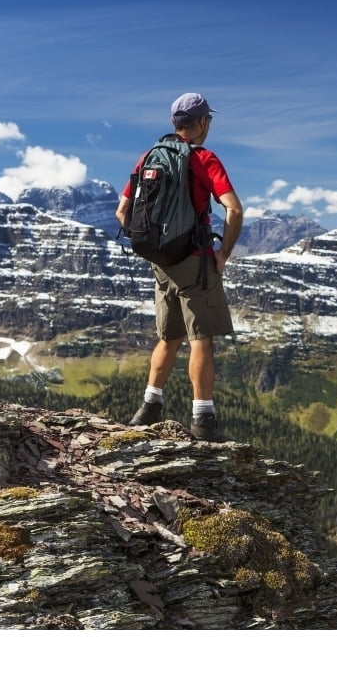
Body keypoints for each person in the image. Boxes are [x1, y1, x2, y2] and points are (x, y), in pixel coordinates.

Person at [115, 92, 243, 441]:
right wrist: (223, 254)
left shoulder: (148, 157)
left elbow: (122, 212)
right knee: (201, 338)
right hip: (195, 261)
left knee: (168, 336)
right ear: (202, 122)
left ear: (175, 123)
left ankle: (148, 408)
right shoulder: (203, 158)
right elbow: (233, 209)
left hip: (161, 262)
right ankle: (203, 420)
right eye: (209, 120)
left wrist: (156, 247)